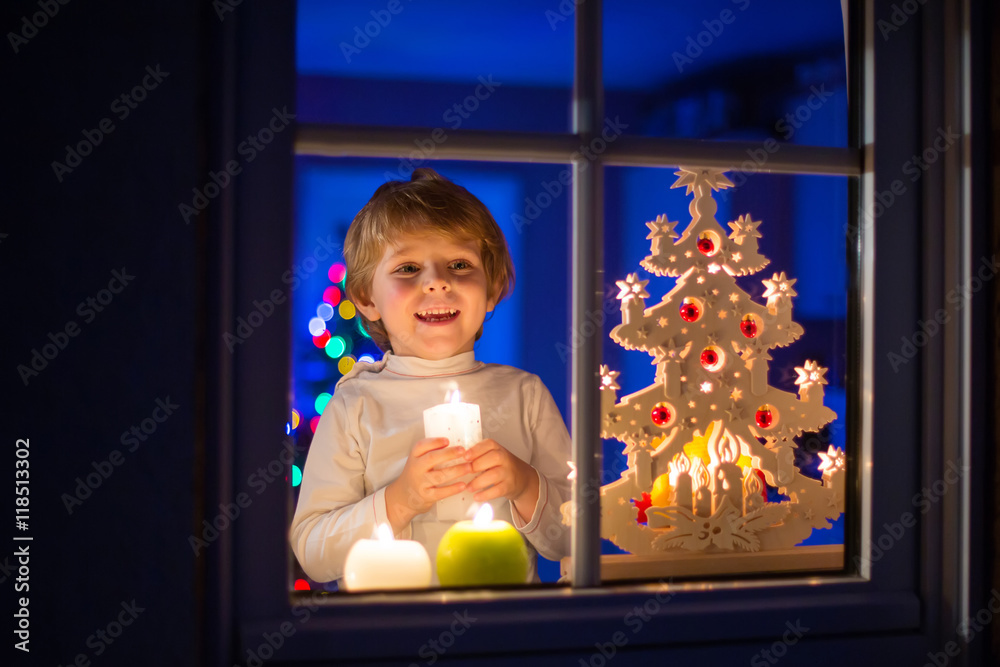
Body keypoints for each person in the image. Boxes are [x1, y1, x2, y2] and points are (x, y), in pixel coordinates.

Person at [289, 168, 571, 586]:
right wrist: (400, 500)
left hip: (505, 622)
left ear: (492, 288)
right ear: (366, 297)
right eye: (407, 268)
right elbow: (313, 552)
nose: (438, 282)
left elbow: (573, 538)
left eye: (459, 264)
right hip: (391, 623)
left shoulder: (524, 395)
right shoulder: (355, 405)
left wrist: (525, 484)